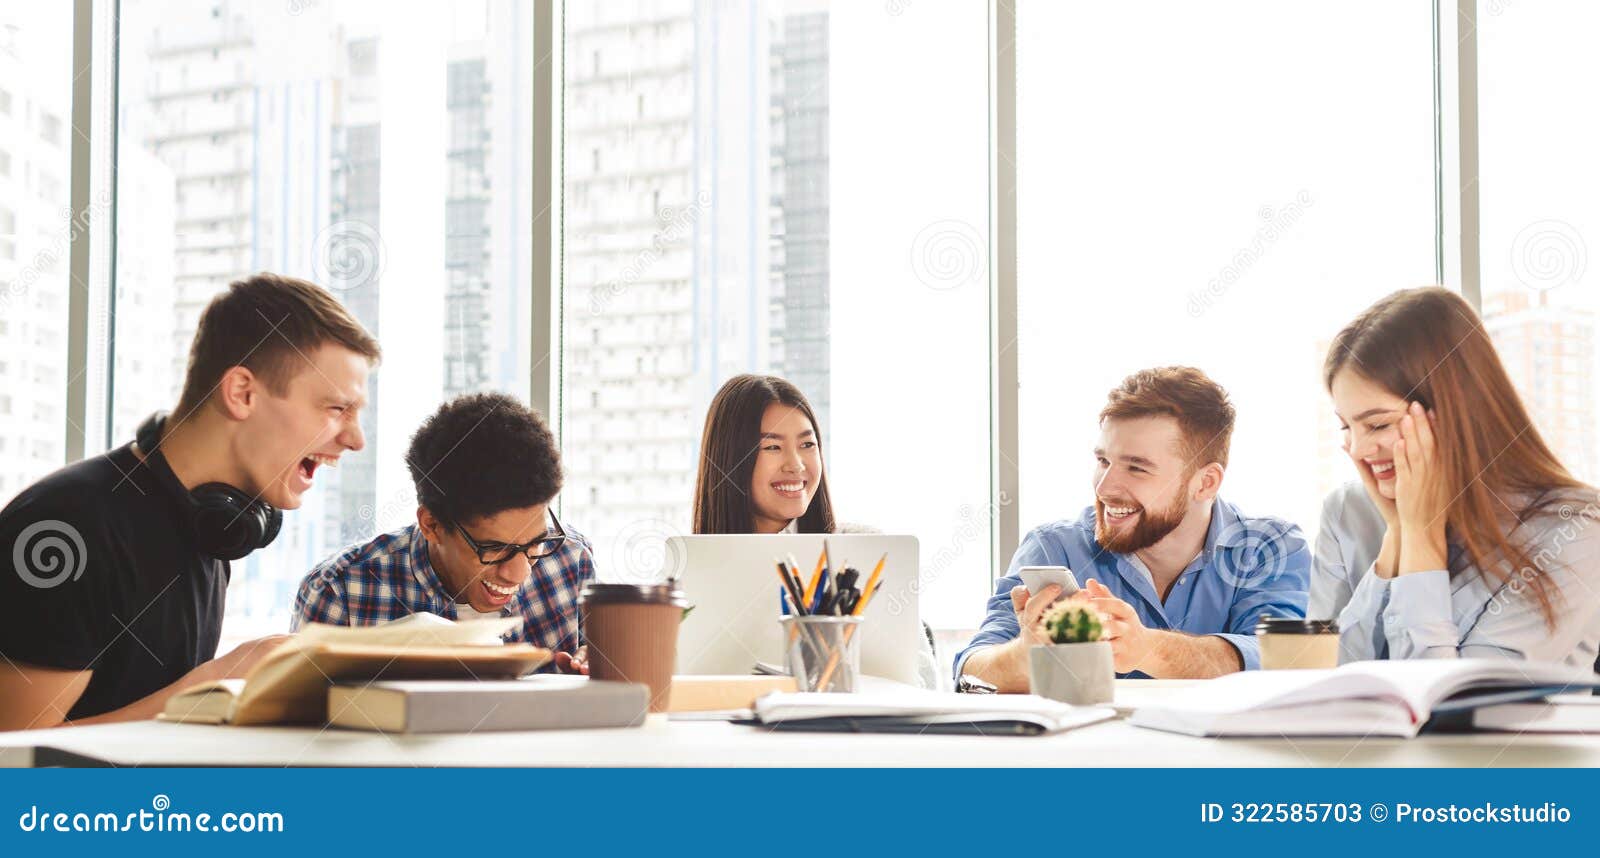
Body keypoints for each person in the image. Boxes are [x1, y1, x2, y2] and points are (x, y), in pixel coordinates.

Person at [0, 274, 380, 728]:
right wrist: (209, 686)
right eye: (337, 409)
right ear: (242, 393)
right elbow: (13, 757)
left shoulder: (215, 526)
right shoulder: (68, 526)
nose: (356, 439)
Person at [955, 367, 1310, 690]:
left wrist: (1148, 649)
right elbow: (970, 672)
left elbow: (1282, 662)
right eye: (1103, 461)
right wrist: (1025, 655)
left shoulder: (1269, 548)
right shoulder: (1054, 547)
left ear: (1205, 483)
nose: (1105, 488)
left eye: (1137, 468)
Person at [1320, 287, 1600, 664]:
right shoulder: (1349, 511)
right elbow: (1320, 684)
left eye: (1378, 425)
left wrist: (1421, 538)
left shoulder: (1575, 528)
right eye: (1346, 428)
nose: (1357, 450)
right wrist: (1396, 538)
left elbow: (1448, 709)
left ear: (1454, 411)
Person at [294, 392, 595, 673]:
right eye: (493, 548)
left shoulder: (573, 560)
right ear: (432, 526)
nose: (518, 574)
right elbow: (301, 722)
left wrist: (596, 664)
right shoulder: (341, 591)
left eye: (536, 544)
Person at [691, 374, 938, 687]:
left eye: (807, 444)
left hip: (854, 731)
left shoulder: (863, 547)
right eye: (772, 447)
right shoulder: (694, 571)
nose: (795, 464)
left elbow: (924, 686)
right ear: (730, 460)